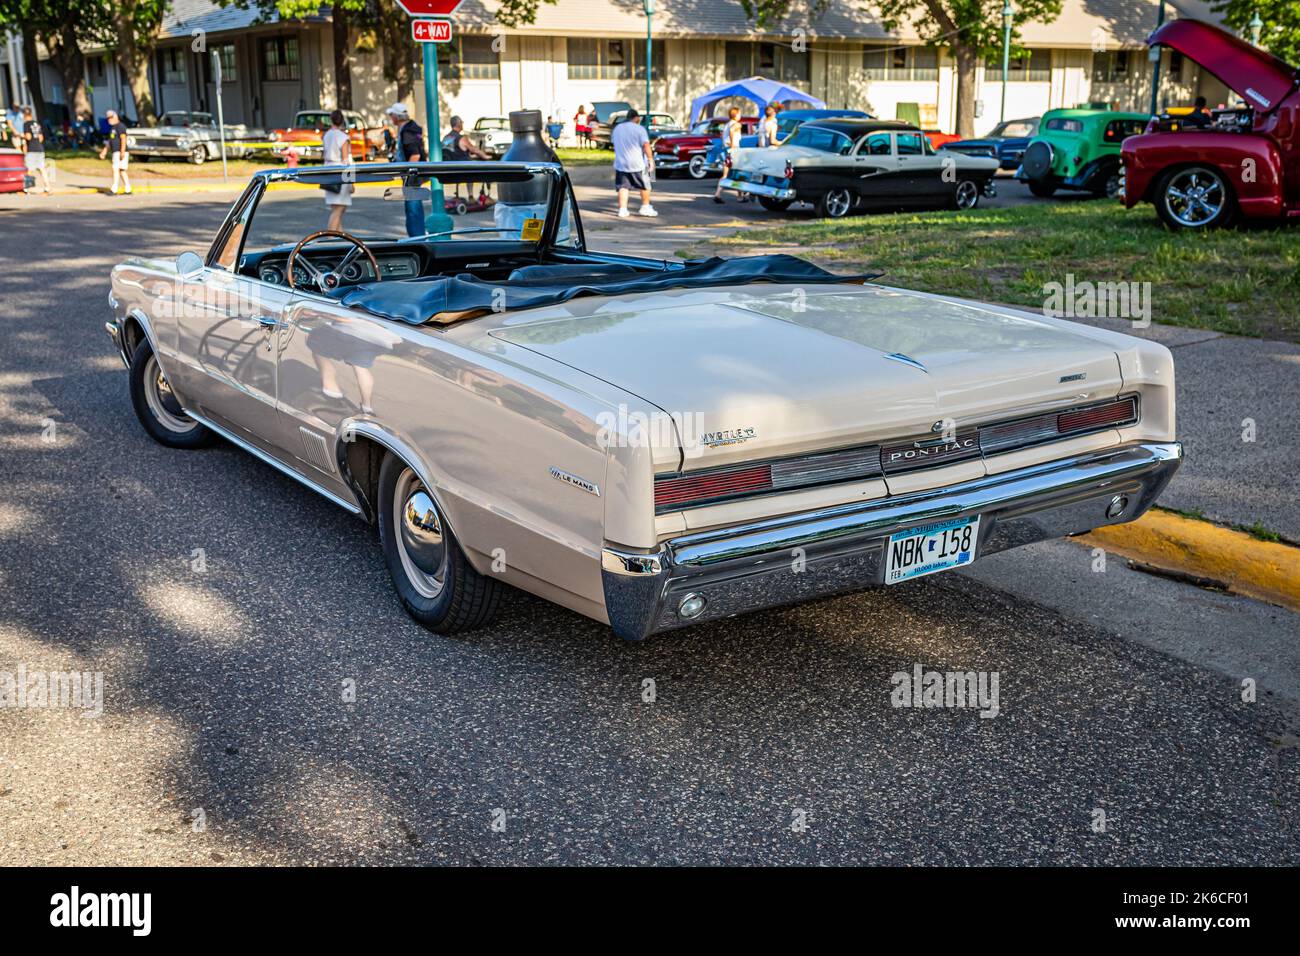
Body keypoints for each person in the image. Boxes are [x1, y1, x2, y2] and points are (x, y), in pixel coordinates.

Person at [386, 102, 427, 237]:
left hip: (413, 176)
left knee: (413, 208)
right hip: (415, 174)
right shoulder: (409, 128)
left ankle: (417, 237)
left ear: (397, 116)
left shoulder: (407, 132)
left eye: (392, 115)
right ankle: (417, 236)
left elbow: (415, 155)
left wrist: (408, 176)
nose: (391, 117)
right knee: (413, 208)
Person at [610, 107, 656, 218]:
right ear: (636, 118)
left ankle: (623, 209)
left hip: (621, 163)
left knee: (623, 187)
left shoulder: (617, 129)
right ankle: (645, 207)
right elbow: (646, 145)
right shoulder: (639, 129)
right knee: (645, 186)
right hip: (639, 163)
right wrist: (650, 159)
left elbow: (613, 143)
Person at [321, 109, 353, 232]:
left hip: (328, 170)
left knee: (336, 208)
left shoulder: (326, 135)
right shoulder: (343, 137)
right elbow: (346, 160)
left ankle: (339, 238)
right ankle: (330, 237)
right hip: (341, 172)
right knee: (339, 209)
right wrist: (351, 181)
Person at [713, 106, 746, 204]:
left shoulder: (727, 124)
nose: (740, 116)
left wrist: (726, 145)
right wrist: (732, 145)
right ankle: (740, 196)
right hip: (734, 150)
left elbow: (723, 135)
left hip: (726, 149)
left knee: (726, 174)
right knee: (738, 172)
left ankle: (718, 194)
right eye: (739, 114)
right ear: (736, 115)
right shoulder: (737, 124)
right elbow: (732, 132)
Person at [98, 109, 131, 195]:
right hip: (115, 152)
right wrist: (104, 151)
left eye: (111, 118)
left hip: (120, 152)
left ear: (115, 116)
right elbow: (110, 142)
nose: (109, 120)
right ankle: (128, 188)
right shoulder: (112, 128)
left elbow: (123, 138)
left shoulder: (121, 126)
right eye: (108, 118)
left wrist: (122, 151)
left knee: (115, 169)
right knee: (121, 171)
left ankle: (114, 189)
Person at [20, 107, 51, 196]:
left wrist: (22, 136)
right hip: (40, 148)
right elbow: (41, 138)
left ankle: (27, 189)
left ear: (25, 115)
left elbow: (28, 137)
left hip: (31, 149)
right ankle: (47, 187)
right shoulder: (37, 124)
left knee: (29, 169)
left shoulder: (26, 124)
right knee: (42, 169)